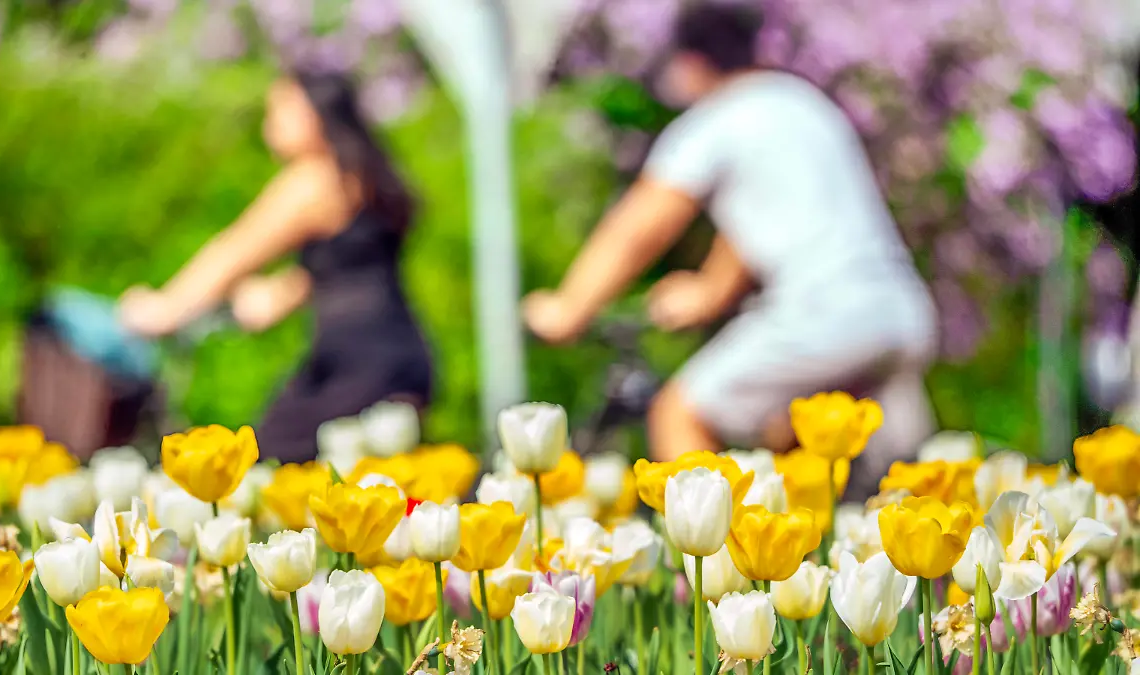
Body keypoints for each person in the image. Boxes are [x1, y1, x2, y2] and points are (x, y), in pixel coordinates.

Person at [523, 3, 938, 498]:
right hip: (899, 311)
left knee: (679, 413)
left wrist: (569, 309)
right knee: (792, 449)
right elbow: (769, 216)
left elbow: (641, 226)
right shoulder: (803, 103)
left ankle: (723, 569)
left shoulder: (716, 120)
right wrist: (709, 292)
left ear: (691, 63)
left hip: (824, 313)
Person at [119, 72, 432, 463]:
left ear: (317, 115)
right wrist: (284, 292)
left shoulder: (313, 180)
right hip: (400, 354)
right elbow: (350, 265)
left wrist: (167, 308)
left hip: (352, 365)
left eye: (283, 108)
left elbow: (236, 250)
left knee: (269, 465)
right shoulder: (361, 175)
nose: (271, 121)